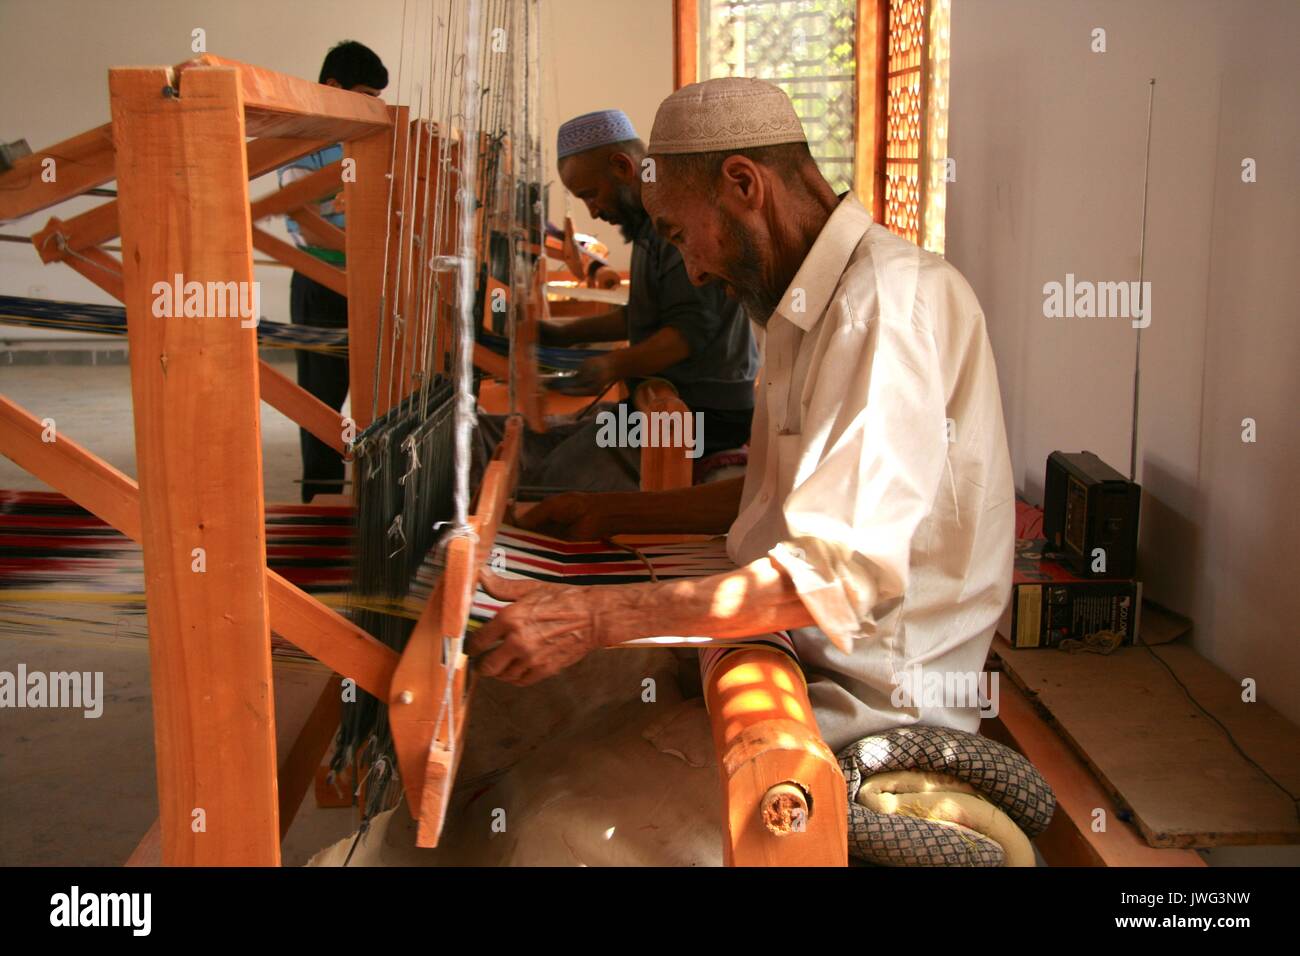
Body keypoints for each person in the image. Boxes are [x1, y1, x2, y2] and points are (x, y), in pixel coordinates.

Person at [470, 78, 1015, 754]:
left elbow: (834, 575)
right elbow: (772, 502)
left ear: (743, 185)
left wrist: (592, 616)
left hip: (855, 701)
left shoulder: (883, 308)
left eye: (680, 236)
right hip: (774, 647)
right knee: (502, 715)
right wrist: (609, 514)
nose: (692, 272)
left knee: (536, 796)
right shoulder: (798, 307)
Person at [473, 109, 760, 494]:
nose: (592, 210)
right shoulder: (648, 226)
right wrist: (557, 334)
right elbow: (642, 316)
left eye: (591, 195)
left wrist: (610, 364)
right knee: (533, 444)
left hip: (702, 420)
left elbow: (685, 334)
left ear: (623, 166)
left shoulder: (676, 221)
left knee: (546, 477)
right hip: (655, 408)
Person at [279, 41, 388, 502]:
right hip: (321, 283)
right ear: (332, 87)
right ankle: (320, 500)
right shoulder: (303, 140)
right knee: (321, 401)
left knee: (378, 394)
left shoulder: (363, 139)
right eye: (365, 94)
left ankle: (378, 498)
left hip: (369, 281)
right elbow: (302, 215)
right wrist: (357, 246)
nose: (372, 107)